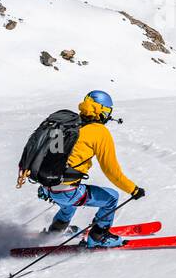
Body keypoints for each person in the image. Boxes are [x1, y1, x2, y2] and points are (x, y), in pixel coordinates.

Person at [41, 90, 145, 248]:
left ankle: (56, 230)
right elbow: (112, 172)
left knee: (69, 203)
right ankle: (98, 237)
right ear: (102, 110)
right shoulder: (99, 132)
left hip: (47, 186)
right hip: (67, 192)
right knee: (111, 198)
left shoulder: (67, 124)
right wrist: (133, 189)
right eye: (108, 111)